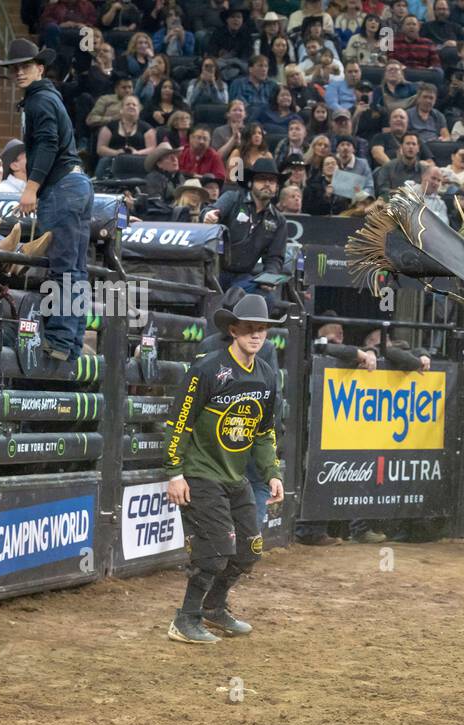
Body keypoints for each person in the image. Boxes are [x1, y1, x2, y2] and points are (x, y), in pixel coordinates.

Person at [163, 294, 285, 644]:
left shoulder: (266, 376)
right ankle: (184, 619)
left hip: (236, 476)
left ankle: (214, 608)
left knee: (250, 550)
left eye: (261, 329)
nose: (256, 335)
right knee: (215, 551)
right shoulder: (206, 369)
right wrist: (174, 473)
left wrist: (271, 473)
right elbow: (180, 423)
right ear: (233, 330)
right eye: (249, 329)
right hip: (201, 474)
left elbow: (264, 433)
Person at [0, 39, 94, 363]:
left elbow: (49, 144)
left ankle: (59, 341)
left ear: (40, 67)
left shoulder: (38, 101)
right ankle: (73, 342)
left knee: (63, 270)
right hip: (77, 184)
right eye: (15, 68)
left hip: (62, 187)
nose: (19, 72)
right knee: (76, 270)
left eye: (25, 66)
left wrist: (31, 187)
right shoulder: (48, 98)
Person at [202, 157, 288, 296]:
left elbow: (275, 257)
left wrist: (270, 276)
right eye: (261, 179)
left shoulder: (279, 221)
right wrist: (209, 215)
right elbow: (211, 211)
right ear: (251, 182)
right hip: (215, 271)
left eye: (272, 181)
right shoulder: (233, 198)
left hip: (242, 277)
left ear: (277, 187)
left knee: (266, 298)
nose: (267, 184)